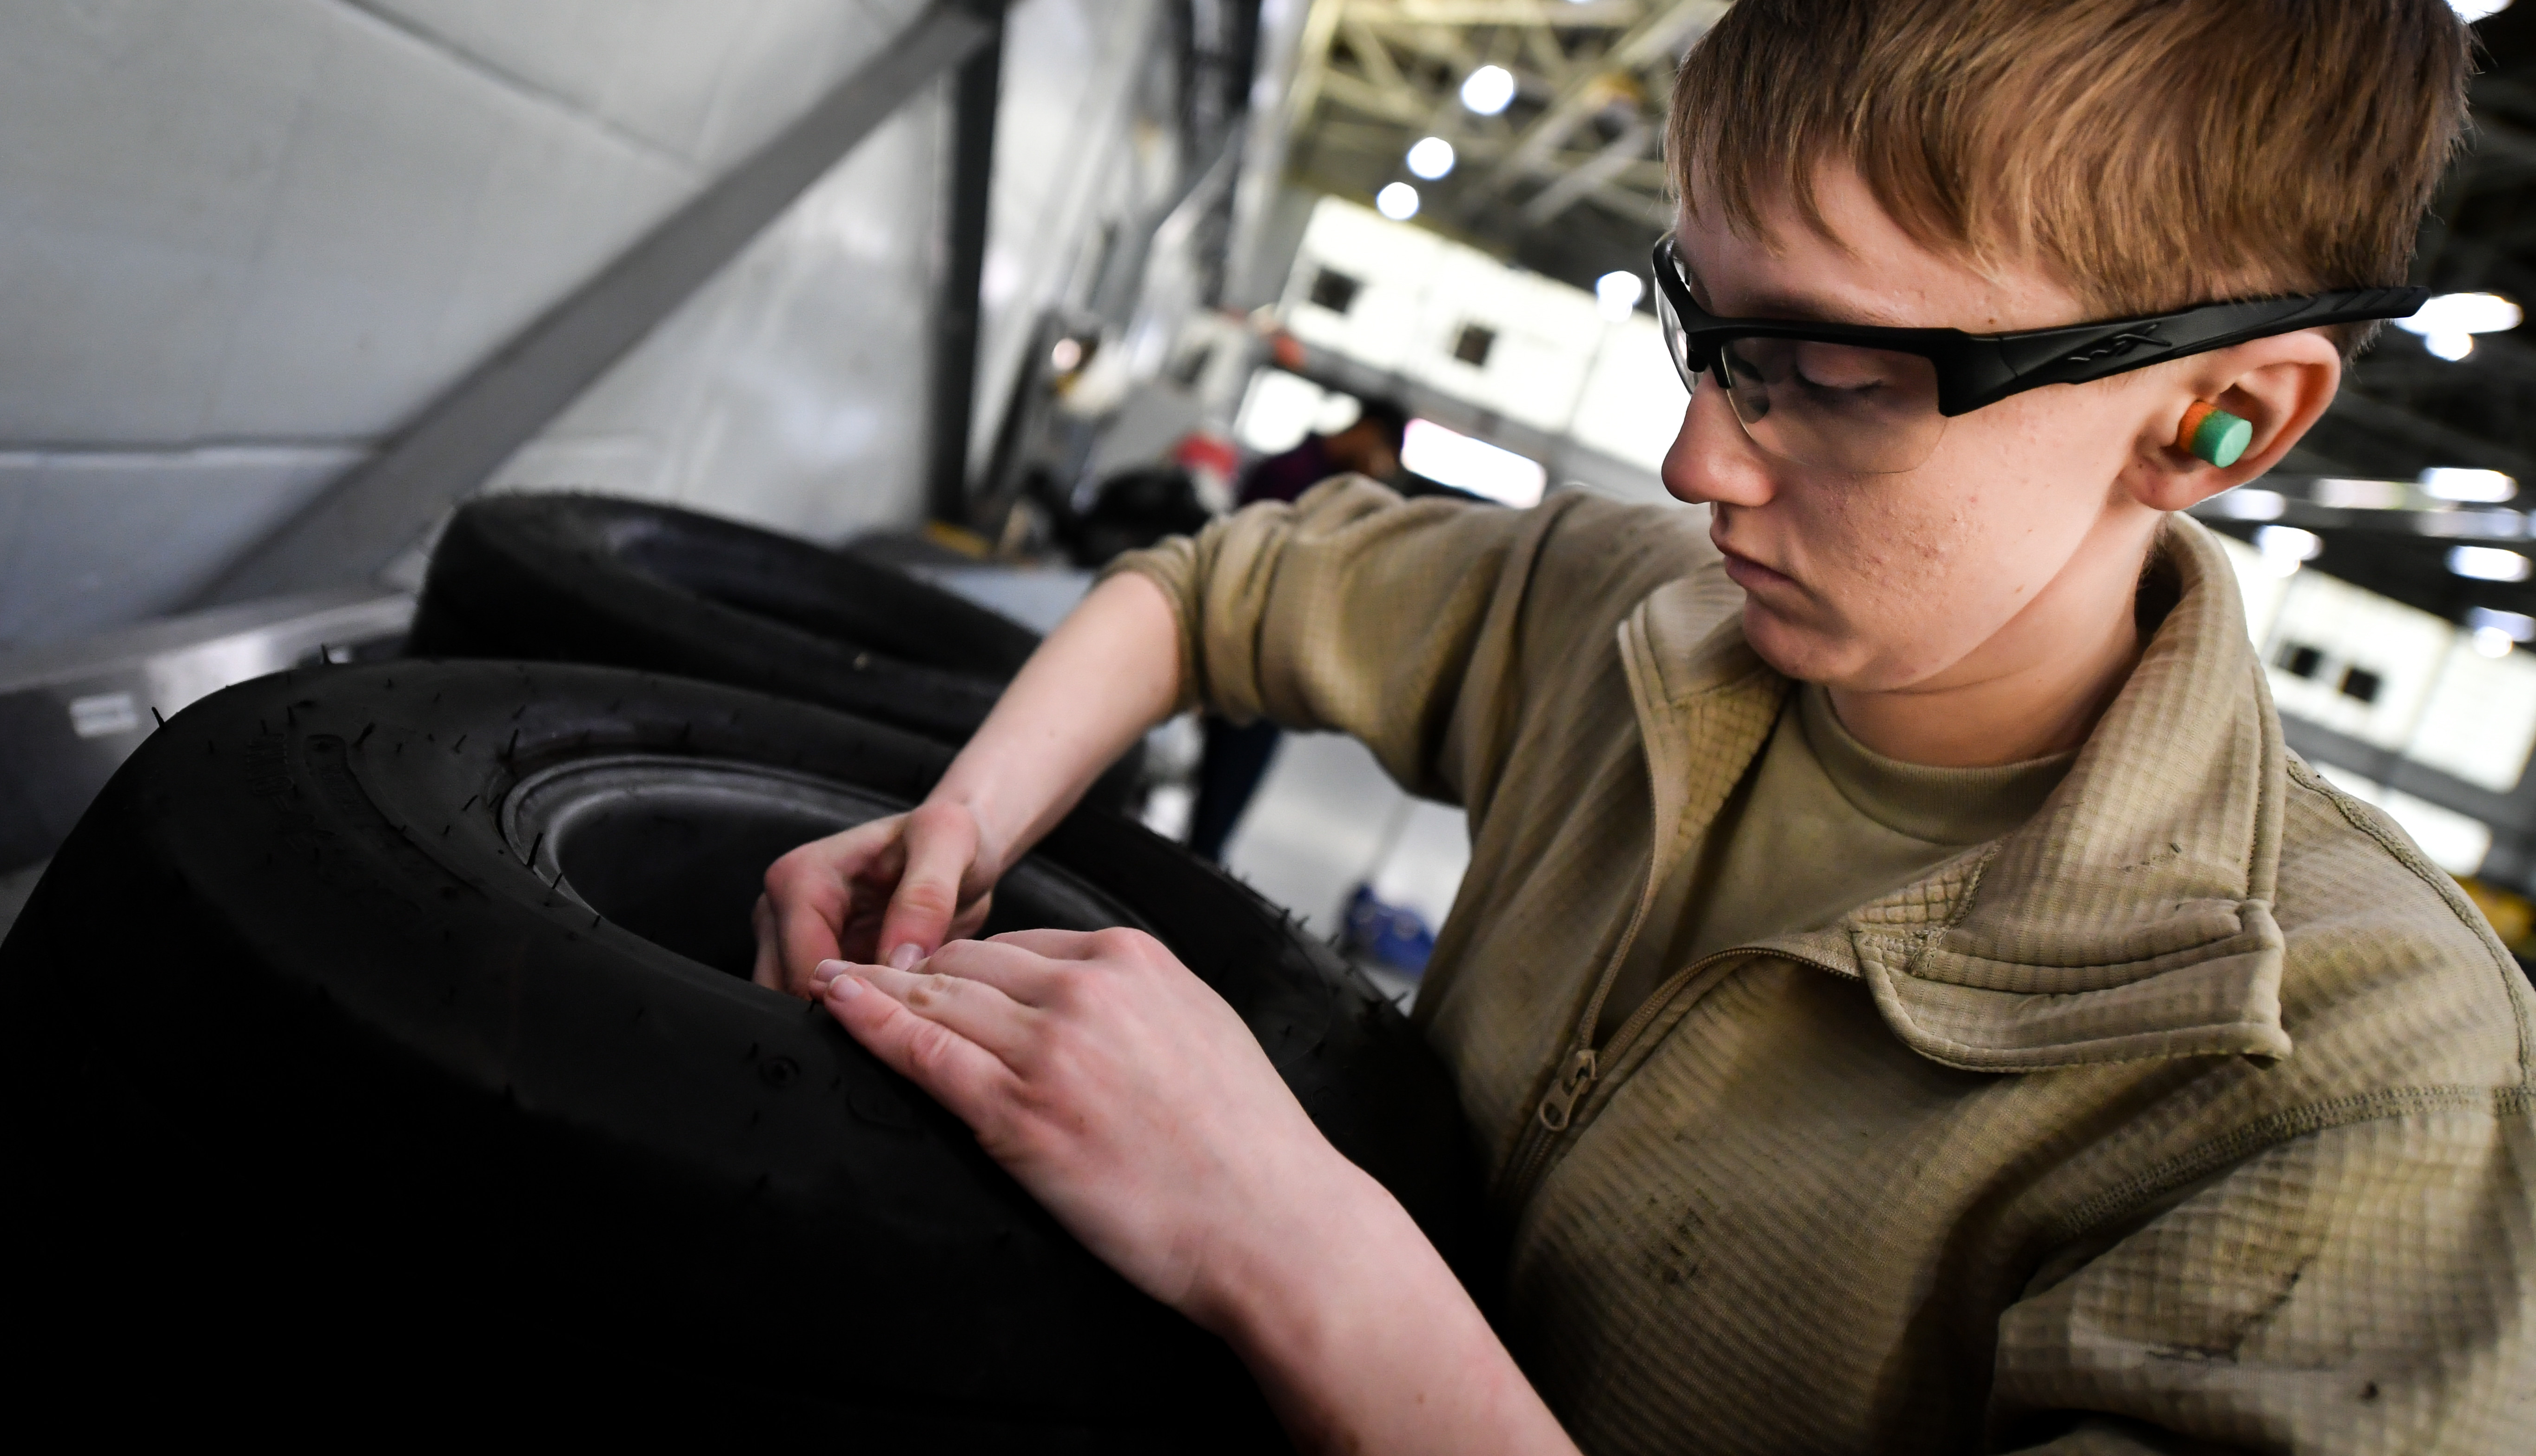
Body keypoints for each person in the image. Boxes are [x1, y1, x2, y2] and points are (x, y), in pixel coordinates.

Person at [753, 2, 2532, 1450]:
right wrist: (961, 826)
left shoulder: (2360, 1093)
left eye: (1835, 377)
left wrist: (1288, 1246)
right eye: (1704, 324)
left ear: (2219, 420)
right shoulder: (1634, 609)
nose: (1699, 460)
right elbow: (1217, 588)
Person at [1187, 395, 1412, 860]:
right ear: (1368, 431)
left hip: (1272, 664)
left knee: (1226, 799)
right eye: (1382, 452)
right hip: (1241, 654)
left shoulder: (1328, 483)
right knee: (1219, 800)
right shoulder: (1292, 475)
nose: (1379, 466)